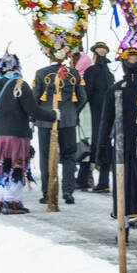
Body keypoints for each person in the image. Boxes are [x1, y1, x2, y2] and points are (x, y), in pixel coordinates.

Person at [0, 53, 58, 214]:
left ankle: (1, 200)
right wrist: (53, 115)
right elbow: (33, 110)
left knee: (1, 167)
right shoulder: (20, 85)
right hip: (17, 134)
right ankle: (12, 202)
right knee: (16, 166)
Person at [96, 47, 137, 227]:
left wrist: (101, 148)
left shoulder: (117, 88)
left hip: (124, 141)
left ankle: (125, 224)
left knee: (125, 180)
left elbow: (105, 122)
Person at [32, 53, 85, 205]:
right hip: (68, 120)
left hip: (46, 120)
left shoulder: (41, 73)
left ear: (50, 56)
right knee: (69, 156)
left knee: (46, 156)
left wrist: (37, 115)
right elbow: (82, 97)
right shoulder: (74, 73)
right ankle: (68, 192)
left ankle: (47, 192)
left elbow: (34, 98)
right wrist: (72, 111)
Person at [82, 41, 115, 192]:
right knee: (104, 143)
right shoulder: (109, 74)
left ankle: (83, 178)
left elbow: (86, 93)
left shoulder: (91, 71)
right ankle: (103, 181)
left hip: (93, 113)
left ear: (94, 56)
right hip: (107, 113)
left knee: (88, 144)